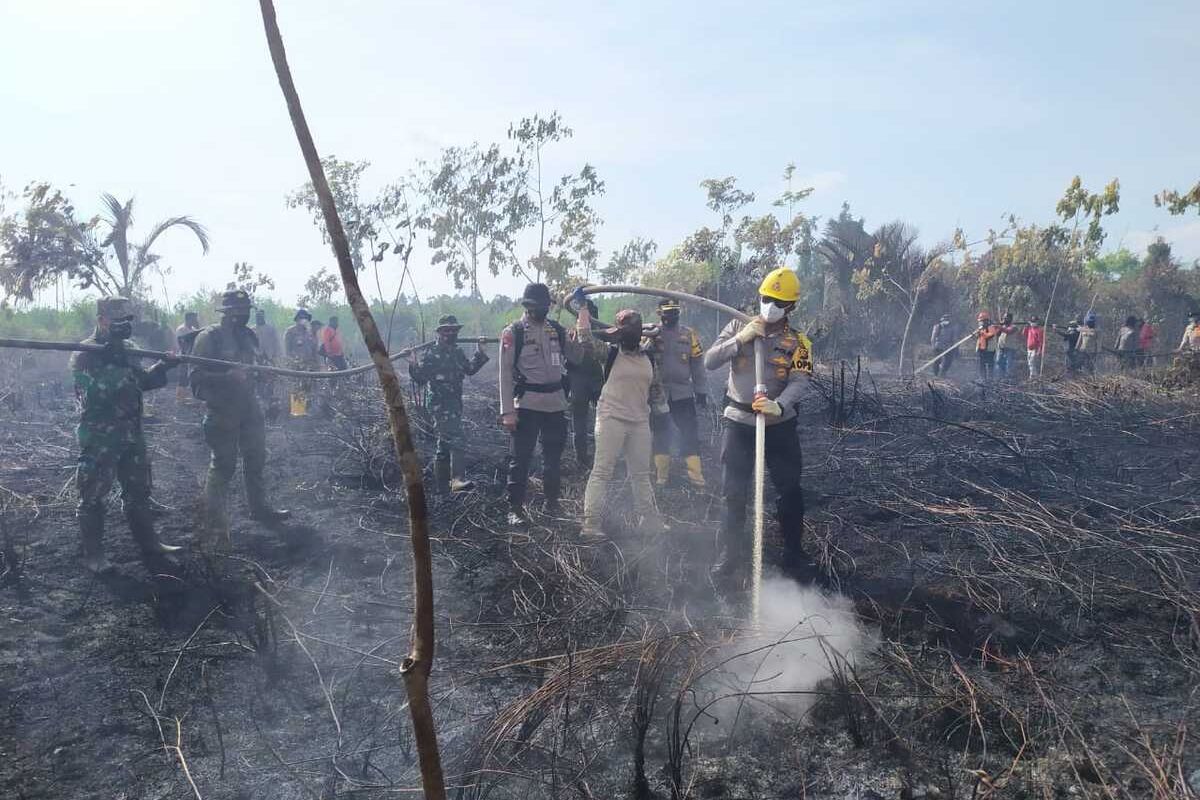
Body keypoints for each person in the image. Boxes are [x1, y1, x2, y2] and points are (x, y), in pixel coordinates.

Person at [704, 267, 814, 584]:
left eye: (778, 301)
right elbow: (710, 360)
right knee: (733, 493)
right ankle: (729, 555)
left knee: (790, 490)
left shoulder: (799, 342)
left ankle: (793, 552)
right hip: (738, 422)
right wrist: (740, 340)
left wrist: (779, 405)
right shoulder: (738, 324)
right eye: (766, 298)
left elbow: (800, 380)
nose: (770, 305)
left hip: (779, 424)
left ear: (790, 307)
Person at [71, 296, 181, 573]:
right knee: (93, 494)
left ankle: (150, 544)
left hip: (132, 432)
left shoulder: (129, 348)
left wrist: (162, 368)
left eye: (127, 320)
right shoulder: (85, 352)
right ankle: (93, 556)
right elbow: (89, 395)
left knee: (138, 491)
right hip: (101, 436)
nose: (123, 325)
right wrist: (111, 365)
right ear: (102, 320)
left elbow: (141, 382)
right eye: (117, 320)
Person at [190, 289, 291, 546]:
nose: (243, 315)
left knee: (256, 458)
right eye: (238, 311)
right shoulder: (208, 338)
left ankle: (259, 509)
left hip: (249, 408)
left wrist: (267, 382)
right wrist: (228, 377)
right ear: (227, 312)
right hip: (222, 410)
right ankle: (214, 525)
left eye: (246, 310)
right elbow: (196, 378)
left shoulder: (249, 336)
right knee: (223, 466)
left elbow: (259, 367)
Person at [498, 282, 592, 526]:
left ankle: (552, 504)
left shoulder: (556, 330)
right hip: (527, 405)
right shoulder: (514, 332)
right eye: (536, 306)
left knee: (553, 459)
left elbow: (578, 356)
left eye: (544, 306)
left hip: (555, 404)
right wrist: (508, 412)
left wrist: (583, 317)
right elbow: (505, 374)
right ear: (528, 306)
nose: (541, 311)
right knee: (520, 459)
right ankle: (515, 509)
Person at [577, 307, 668, 539]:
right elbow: (585, 339)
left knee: (640, 474)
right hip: (611, 418)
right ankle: (591, 523)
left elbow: (655, 388)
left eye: (634, 329)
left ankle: (648, 519)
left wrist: (663, 413)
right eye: (625, 329)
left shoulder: (648, 357)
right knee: (602, 471)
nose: (630, 334)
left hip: (639, 421)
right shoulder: (609, 353)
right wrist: (582, 310)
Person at [408, 315, 489, 494]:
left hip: (454, 404)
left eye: (454, 330)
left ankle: (442, 488)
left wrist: (480, 352)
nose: (451, 333)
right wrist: (413, 363)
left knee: (443, 446)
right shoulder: (432, 354)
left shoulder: (457, 352)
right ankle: (457, 479)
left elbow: (470, 369)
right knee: (458, 438)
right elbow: (420, 378)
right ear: (439, 332)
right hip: (439, 406)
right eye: (447, 330)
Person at [647, 298, 708, 488]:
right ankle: (661, 477)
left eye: (675, 312)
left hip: (683, 393)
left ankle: (696, 478)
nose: (671, 316)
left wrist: (701, 390)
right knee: (660, 433)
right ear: (659, 313)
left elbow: (698, 365)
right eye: (667, 312)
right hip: (659, 394)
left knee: (689, 433)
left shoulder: (689, 335)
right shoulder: (650, 334)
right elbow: (640, 356)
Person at [565, 299, 604, 468]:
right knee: (580, 422)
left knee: (604, 419)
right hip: (579, 380)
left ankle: (602, 455)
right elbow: (567, 358)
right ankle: (582, 458)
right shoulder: (572, 334)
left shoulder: (602, 334)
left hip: (595, 380)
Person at [174, 311, 201, 401]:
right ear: (189, 319)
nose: (195, 320)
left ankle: (185, 397)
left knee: (190, 375)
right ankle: (180, 398)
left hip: (192, 356)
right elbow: (181, 342)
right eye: (194, 318)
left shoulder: (192, 329)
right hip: (184, 355)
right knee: (183, 377)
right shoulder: (181, 329)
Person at [975, 311, 1000, 381]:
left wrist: (982, 333)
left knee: (990, 364)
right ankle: (982, 378)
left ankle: (990, 378)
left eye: (981, 321)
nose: (980, 322)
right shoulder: (980, 328)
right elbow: (978, 337)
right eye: (980, 321)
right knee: (981, 364)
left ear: (985, 320)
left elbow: (990, 336)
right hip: (981, 348)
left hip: (989, 349)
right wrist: (977, 334)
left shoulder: (991, 327)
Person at [996, 312, 1018, 379]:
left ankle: (1008, 377)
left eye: (1006, 318)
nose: (1004, 319)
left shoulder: (1014, 327)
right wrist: (999, 327)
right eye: (1004, 318)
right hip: (1001, 348)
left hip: (1010, 349)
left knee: (1009, 364)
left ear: (1010, 319)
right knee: (999, 362)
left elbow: (1008, 331)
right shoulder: (1003, 326)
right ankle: (1001, 376)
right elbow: (997, 334)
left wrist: (1000, 327)